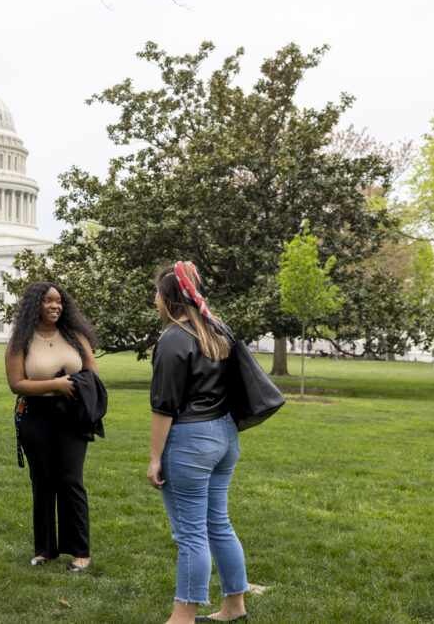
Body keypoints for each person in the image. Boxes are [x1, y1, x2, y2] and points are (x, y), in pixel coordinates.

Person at [147, 262, 248, 623]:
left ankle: (182, 617)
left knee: (190, 534)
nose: (155, 299)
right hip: (225, 436)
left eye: (158, 292)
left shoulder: (173, 338)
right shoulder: (218, 329)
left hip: (191, 439)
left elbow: (164, 406)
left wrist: (154, 457)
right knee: (218, 523)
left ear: (169, 296)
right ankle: (234, 608)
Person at [4, 282, 99, 571]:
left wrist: (72, 385)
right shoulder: (21, 341)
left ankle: (80, 552)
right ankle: (44, 549)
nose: (55, 306)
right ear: (36, 305)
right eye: (48, 300)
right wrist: (54, 384)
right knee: (42, 482)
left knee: (71, 480)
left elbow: (92, 373)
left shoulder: (75, 336)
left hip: (72, 416)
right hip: (37, 416)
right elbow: (16, 384)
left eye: (59, 301)